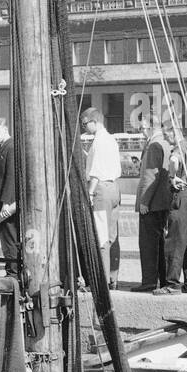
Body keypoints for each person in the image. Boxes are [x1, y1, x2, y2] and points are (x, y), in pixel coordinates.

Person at [81, 108, 122, 288]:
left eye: (85, 123)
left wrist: (90, 193)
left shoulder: (98, 142)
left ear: (94, 121)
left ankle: (101, 281)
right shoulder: (111, 139)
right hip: (114, 188)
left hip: (101, 190)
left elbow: (96, 172)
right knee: (112, 235)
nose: (84, 127)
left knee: (101, 237)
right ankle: (113, 277)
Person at [160, 118, 187, 294]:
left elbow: (174, 161)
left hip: (182, 196)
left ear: (173, 131)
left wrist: (172, 176)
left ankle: (172, 284)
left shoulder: (177, 149)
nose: (165, 137)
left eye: (165, 134)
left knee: (175, 241)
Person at [135, 123, 173, 292]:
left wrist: (144, 201)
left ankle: (149, 280)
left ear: (151, 126)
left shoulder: (153, 145)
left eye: (142, 126)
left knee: (148, 243)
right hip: (162, 201)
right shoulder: (165, 143)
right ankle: (163, 279)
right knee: (160, 242)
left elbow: (150, 175)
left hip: (152, 202)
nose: (141, 130)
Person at [0, 117, 21, 282]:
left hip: (7, 202)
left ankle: (12, 273)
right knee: (8, 237)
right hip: (3, 201)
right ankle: (12, 270)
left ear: (6, 129)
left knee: (9, 238)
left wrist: (7, 203)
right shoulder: (5, 147)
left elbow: (11, 176)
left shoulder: (10, 147)